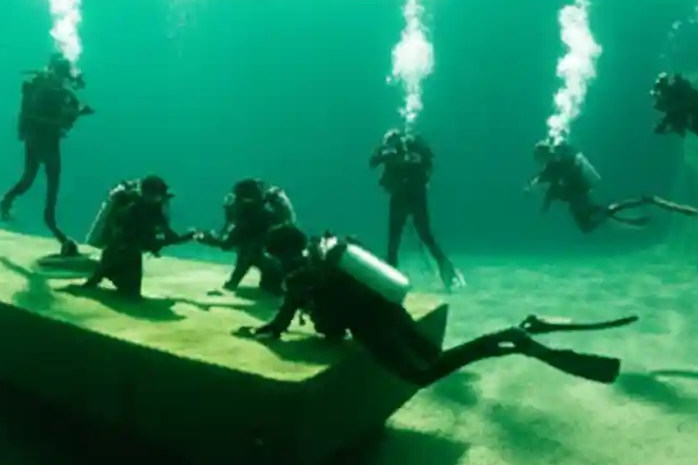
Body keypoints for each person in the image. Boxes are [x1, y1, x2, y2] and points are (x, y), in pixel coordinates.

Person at [236, 224, 636, 386]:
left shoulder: (299, 274)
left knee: (421, 376)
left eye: (276, 256)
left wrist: (261, 333)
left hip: (372, 327)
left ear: (282, 252)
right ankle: (514, 333)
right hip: (390, 309)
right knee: (436, 356)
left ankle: (514, 336)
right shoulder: (325, 254)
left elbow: (283, 320)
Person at [0, 53, 94, 256]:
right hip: (37, 137)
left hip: (50, 138)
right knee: (30, 177)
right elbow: (33, 115)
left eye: (63, 75)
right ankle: (13, 203)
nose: (61, 79)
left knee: (48, 178)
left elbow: (68, 105)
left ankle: (49, 221)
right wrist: (66, 118)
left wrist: (74, 111)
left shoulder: (60, 86)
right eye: (59, 74)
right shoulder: (39, 86)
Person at [527, 139, 698, 233]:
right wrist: (541, 197)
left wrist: (545, 199)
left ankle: (644, 202)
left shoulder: (560, 161)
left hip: (580, 195)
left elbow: (554, 180)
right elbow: (547, 183)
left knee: (597, 217)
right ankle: (628, 216)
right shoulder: (554, 164)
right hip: (576, 196)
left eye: (539, 157)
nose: (539, 161)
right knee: (591, 223)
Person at [369, 128, 463, 291]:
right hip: (402, 196)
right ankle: (391, 275)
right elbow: (372, 162)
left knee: (420, 236)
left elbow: (428, 160)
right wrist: (386, 155)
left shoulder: (415, 149)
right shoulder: (388, 152)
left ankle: (444, 268)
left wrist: (412, 159)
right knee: (395, 239)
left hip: (414, 196)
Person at [75, 175, 196, 299]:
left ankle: (99, 277)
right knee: (127, 293)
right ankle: (98, 276)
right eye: (157, 196)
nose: (161, 200)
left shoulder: (152, 212)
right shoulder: (133, 209)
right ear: (147, 193)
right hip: (120, 254)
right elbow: (159, 236)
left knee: (130, 295)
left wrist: (186, 237)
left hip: (127, 255)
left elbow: (164, 235)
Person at [196, 178, 295, 295]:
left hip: (270, 260)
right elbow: (228, 240)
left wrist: (204, 237)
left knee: (270, 284)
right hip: (266, 258)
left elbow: (226, 241)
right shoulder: (264, 214)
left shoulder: (258, 216)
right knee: (267, 282)